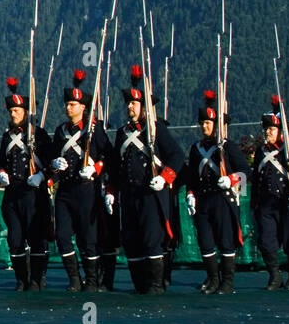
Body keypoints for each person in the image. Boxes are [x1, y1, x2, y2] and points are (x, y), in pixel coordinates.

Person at [104, 65, 183, 294]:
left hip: (151, 194)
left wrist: (165, 177)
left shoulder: (156, 129)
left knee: (151, 239)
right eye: (128, 103)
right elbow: (116, 166)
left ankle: (156, 286)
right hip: (129, 195)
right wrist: (111, 189)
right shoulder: (122, 133)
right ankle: (139, 285)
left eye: (134, 103)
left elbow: (177, 155)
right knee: (131, 241)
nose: (130, 106)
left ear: (144, 108)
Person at [182, 90, 251, 294]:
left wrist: (231, 179)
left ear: (216, 126)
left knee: (226, 241)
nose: (204, 127)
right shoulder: (196, 149)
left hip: (223, 199)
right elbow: (192, 177)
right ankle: (213, 279)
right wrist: (190, 194)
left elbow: (246, 172)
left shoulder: (227, 147)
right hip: (203, 200)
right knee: (205, 241)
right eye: (202, 123)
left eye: (208, 123)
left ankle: (227, 282)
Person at [48, 70, 111, 291]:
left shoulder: (95, 129)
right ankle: (74, 279)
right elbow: (52, 158)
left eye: (73, 104)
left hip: (87, 189)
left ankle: (92, 281)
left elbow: (108, 155)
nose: (69, 108)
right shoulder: (60, 131)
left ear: (83, 107)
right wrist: (55, 165)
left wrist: (96, 167)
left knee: (88, 238)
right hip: (65, 190)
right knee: (63, 236)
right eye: (67, 104)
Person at [0, 77, 52, 291]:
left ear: (26, 112)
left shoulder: (40, 135)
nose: (13, 114)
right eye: (11, 111)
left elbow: (52, 163)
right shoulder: (6, 137)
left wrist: (42, 176)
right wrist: (0, 173)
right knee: (15, 238)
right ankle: (21, 279)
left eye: (17, 110)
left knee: (36, 237)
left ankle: (36, 279)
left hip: (34, 193)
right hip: (12, 192)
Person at [251, 98, 289, 290]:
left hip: (285, 202)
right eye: (266, 129)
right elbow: (256, 178)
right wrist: (254, 204)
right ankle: (275, 276)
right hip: (266, 204)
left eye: (272, 129)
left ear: (280, 131)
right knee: (266, 241)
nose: (268, 132)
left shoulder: (287, 151)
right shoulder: (261, 152)